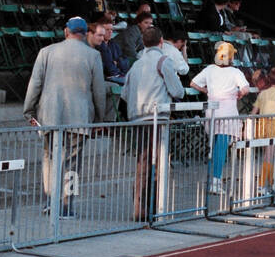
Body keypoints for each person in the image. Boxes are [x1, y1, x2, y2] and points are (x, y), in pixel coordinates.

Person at [22, 17, 108, 218]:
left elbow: (35, 84)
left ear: (66, 31)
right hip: (79, 117)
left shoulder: (46, 52)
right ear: (85, 33)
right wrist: (100, 118)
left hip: (49, 115)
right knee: (73, 163)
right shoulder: (93, 55)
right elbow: (99, 92)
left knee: (49, 159)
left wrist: (29, 110)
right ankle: (67, 207)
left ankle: (50, 202)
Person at [119, 25, 185, 221]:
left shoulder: (136, 65)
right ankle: (153, 209)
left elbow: (124, 94)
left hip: (137, 116)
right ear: (161, 42)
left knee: (142, 163)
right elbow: (177, 91)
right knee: (156, 163)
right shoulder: (164, 61)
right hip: (156, 117)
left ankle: (139, 208)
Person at [190, 41, 250, 195]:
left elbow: (193, 83)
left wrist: (207, 91)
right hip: (227, 112)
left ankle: (214, 179)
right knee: (221, 148)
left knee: (215, 146)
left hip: (212, 110)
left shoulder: (209, 69)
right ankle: (215, 181)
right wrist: (239, 94)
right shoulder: (236, 72)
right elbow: (245, 89)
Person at [250, 67, 275, 198]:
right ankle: (262, 185)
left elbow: (253, 112)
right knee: (269, 157)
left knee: (267, 156)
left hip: (261, 126)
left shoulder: (262, 94)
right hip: (274, 127)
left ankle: (271, 182)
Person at [92, 15, 129, 87]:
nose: (110, 32)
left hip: (120, 75)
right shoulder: (98, 45)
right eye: (107, 30)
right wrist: (117, 64)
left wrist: (117, 62)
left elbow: (126, 62)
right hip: (107, 78)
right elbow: (109, 69)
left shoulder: (114, 44)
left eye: (111, 29)